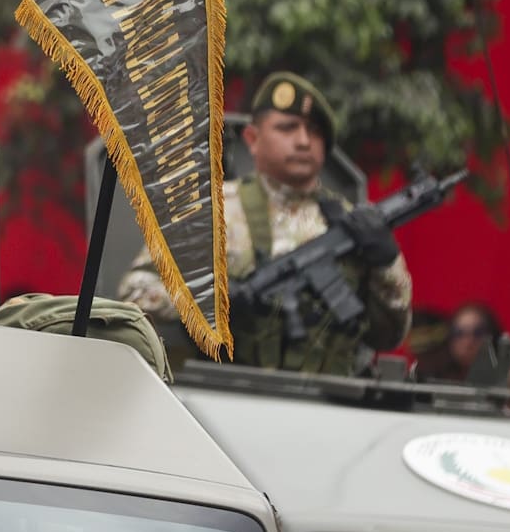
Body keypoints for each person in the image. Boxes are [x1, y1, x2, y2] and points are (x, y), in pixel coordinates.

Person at [119, 71, 412, 374]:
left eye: (313, 131)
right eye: (287, 128)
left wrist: (387, 263)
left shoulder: (355, 225)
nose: (302, 141)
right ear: (253, 139)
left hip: (332, 402)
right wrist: (214, 300)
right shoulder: (213, 213)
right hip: (233, 395)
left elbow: (389, 335)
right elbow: (136, 292)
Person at [416, 302, 506, 385]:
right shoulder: (431, 380)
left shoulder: (507, 379)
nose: (468, 341)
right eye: (459, 333)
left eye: (478, 332)